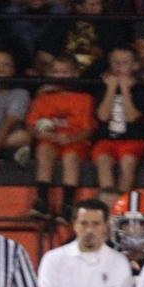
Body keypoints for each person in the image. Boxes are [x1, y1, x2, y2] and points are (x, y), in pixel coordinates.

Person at [27, 55, 94, 223]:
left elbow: (88, 130)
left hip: (74, 142)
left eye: (65, 72)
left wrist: (71, 138)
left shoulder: (84, 98)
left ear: (74, 74)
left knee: (70, 157)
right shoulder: (43, 98)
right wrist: (44, 135)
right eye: (56, 72)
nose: (60, 76)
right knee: (43, 149)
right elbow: (31, 125)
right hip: (50, 140)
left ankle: (67, 205)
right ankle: (42, 201)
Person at [91, 45, 144, 203]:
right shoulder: (103, 87)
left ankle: (122, 206)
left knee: (128, 161)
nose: (118, 66)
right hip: (106, 139)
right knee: (103, 160)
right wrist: (110, 90)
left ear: (135, 65)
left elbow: (132, 117)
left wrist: (124, 90)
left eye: (124, 62)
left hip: (132, 139)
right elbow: (102, 116)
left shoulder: (140, 88)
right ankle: (107, 205)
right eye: (115, 62)